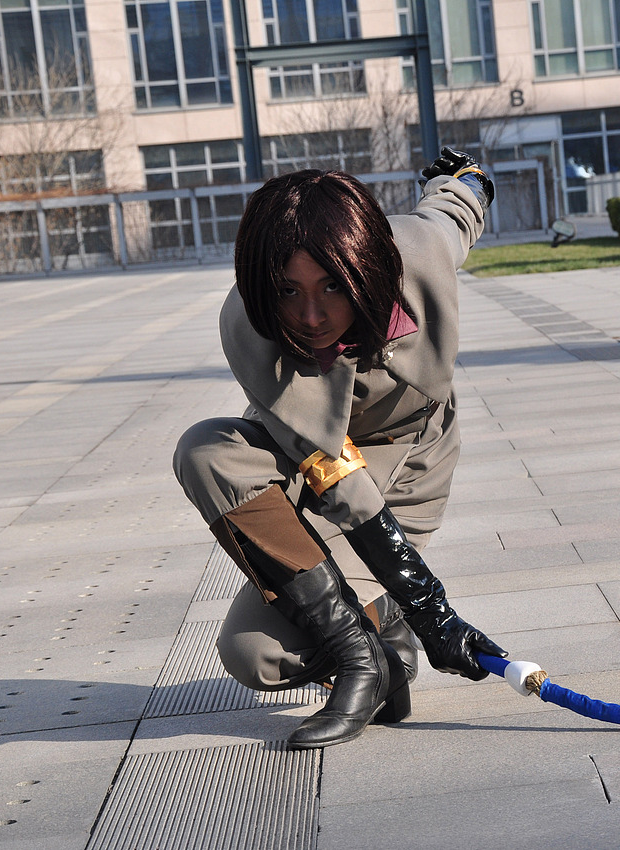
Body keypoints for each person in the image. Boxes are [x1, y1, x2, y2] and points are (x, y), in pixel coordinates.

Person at [173, 150, 506, 750]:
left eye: (332, 285)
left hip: (409, 463)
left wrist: (467, 181)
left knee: (258, 652)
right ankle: (367, 655)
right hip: (312, 460)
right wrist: (434, 611)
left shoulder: (417, 253)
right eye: (288, 290)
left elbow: (453, 214)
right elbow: (336, 473)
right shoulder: (249, 323)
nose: (311, 314)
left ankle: (384, 634)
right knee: (204, 451)